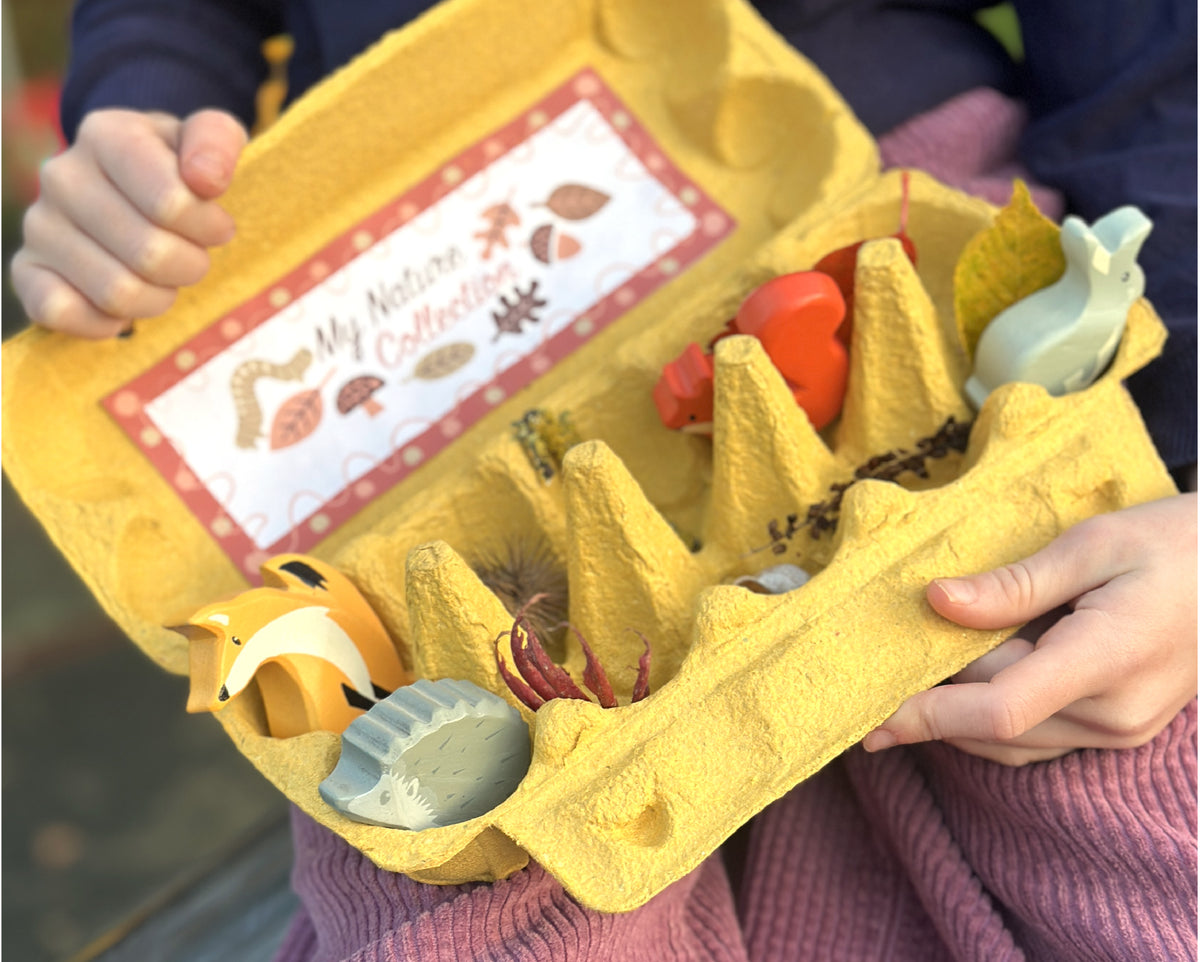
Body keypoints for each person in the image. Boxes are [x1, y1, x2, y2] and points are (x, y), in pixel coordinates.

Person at [10, 1, 1196, 959]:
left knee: (1106, 776)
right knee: (464, 895)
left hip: (873, 229)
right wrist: (145, 103)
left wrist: (1189, 474)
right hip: (386, 360)